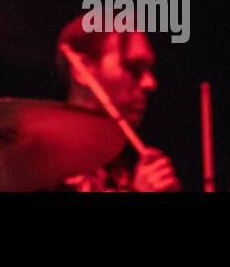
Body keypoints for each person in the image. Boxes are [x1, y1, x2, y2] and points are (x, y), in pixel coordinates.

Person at [55, 15, 181, 191]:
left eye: (147, 70)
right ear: (81, 69)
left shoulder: (123, 160)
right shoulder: (43, 161)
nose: (150, 82)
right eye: (133, 67)